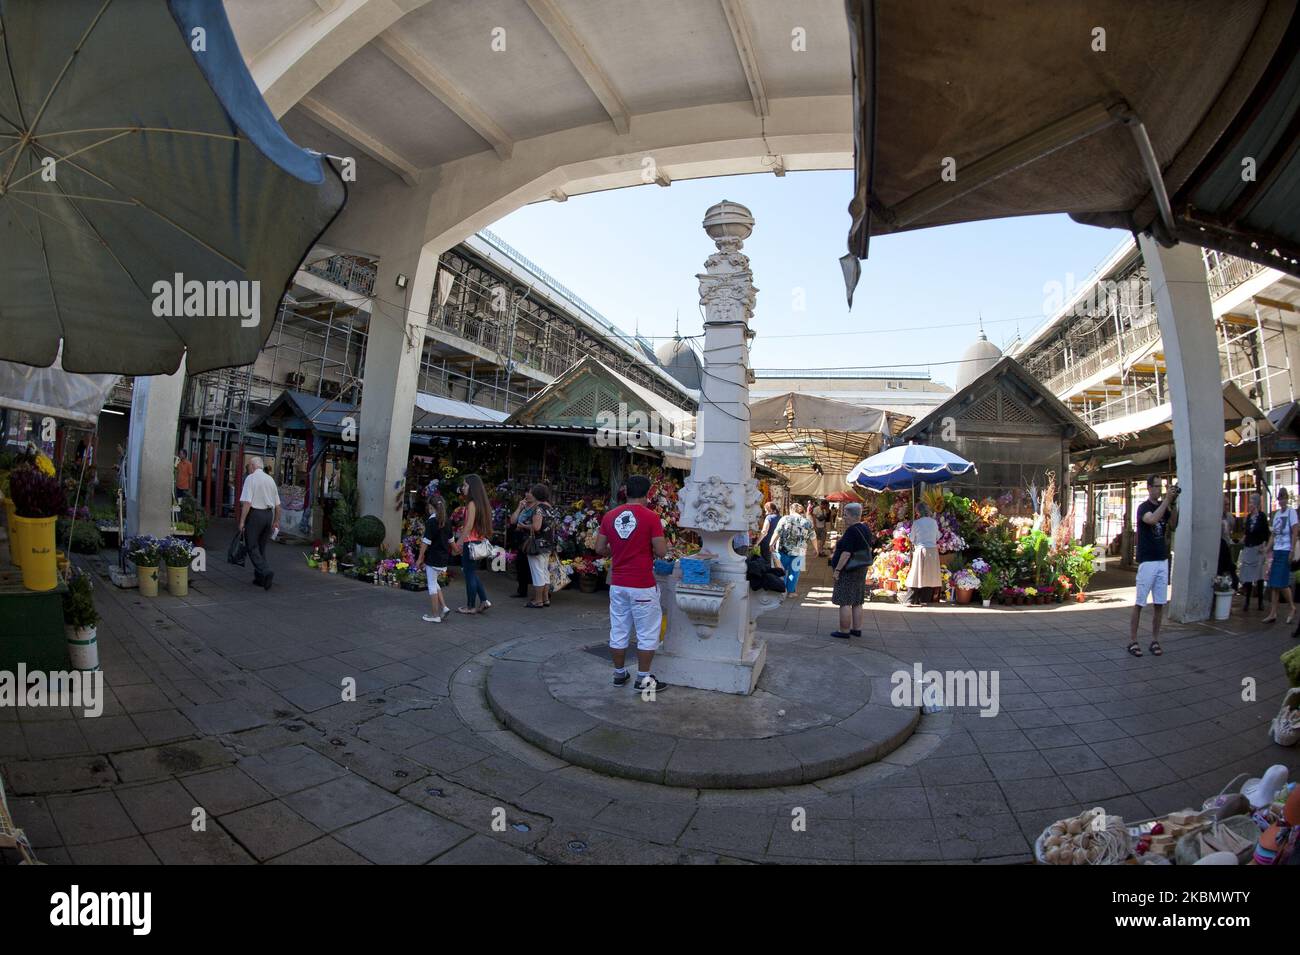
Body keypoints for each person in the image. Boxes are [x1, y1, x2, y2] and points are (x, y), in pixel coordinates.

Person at [594, 474, 668, 693]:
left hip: (618, 583)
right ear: (648, 494)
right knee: (647, 633)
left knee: (618, 630)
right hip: (642, 584)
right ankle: (643, 679)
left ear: (626, 492)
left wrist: (616, 550)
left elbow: (599, 549)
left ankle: (619, 674)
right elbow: (662, 552)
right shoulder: (651, 517)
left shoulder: (609, 516)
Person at [1129, 474, 1179, 657]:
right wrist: (1166, 501)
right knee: (1140, 602)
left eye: (1161, 487)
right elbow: (1151, 520)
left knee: (1160, 603)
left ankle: (1155, 639)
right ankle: (1133, 640)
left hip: (1162, 559)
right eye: (1156, 486)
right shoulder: (1143, 508)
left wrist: (1172, 504)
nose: (1159, 490)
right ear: (1149, 488)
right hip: (1147, 560)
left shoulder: (1164, 506)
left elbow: (1173, 524)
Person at [829, 502, 873, 639]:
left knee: (845, 600)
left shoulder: (851, 531)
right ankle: (857, 629)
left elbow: (846, 553)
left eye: (846, 515)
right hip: (861, 567)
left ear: (853, 516)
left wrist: (837, 570)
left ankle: (844, 630)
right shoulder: (865, 528)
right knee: (857, 600)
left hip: (849, 569)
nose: (844, 517)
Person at [238, 456, 280, 591]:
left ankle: (265, 571)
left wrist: (242, 521)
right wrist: (276, 521)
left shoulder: (250, 479)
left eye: (248, 466)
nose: (248, 468)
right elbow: (278, 505)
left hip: (256, 514)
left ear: (252, 466)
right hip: (268, 515)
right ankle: (260, 578)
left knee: (251, 545)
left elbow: (247, 503)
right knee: (261, 547)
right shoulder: (270, 480)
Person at [455, 473, 493, 615]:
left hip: (470, 543)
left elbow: (469, 526)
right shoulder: (482, 503)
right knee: (471, 573)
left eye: (465, 485)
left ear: (472, 487)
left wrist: (458, 542)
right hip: (478, 542)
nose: (463, 488)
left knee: (469, 573)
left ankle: (470, 606)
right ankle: (484, 600)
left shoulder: (471, 503)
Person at [1263, 486, 1298, 625]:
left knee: (1281, 583)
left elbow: (1295, 531)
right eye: (1280, 498)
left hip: (1285, 550)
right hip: (1277, 550)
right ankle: (1273, 612)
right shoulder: (1277, 515)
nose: (1281, 501)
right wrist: (1267, 548)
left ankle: (1292, 607)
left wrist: (1292, 550)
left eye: (1283, 498)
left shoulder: (1292, 513)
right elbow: (1274, 534)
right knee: (1273, 583)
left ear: (1287, 499)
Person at [414, 495, 452, 623]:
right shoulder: (446, 520)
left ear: (430, 507)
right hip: (443, 557)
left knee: (431, 585)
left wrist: (420, 558)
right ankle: (444, 607)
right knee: (434, 582)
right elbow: (451, 540)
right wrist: (457, 550)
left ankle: (435, 615)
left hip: (433, 558)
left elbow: (426, 542)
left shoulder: (431, 521)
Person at [518, 484, 554, 608]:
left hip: (538, 544)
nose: (530, 494)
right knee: (544, 571)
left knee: (537, 572)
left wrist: (524, 526)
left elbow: (536, 527)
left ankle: (538, 600)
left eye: (532, 492)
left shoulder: (538, 508)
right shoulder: (550, 507)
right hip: (548, 543)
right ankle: (545, 599)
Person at [773, 502, 814, 598]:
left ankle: (782, 590)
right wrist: (816, 549)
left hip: (784, 549)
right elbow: (813, 536)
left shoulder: (785, 518)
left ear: (791, 510)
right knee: (794, 572)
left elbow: (777, 532)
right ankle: (791, 592)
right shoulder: (807, 522)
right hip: (800, 550)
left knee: (782, 570)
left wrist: (771, 544)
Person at [904, 503, 941, 606]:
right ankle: (925, 599)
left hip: (921, 550)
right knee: (929, 576)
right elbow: (937, 536)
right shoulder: (933, 522)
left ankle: (910, 600)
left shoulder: (917, 523)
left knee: (915, 574)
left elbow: (912, 538)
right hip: (932, 551)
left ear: (918, 512)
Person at [1238, 492, 1268, 612]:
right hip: (1249, 548)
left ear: (1255, 504)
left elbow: (1266, 533)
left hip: (1258, 548)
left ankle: (1260, 602)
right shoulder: (1249, 517)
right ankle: (1247, 601)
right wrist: (1240, 541)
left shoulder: (1262, 517)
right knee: (1248, 577)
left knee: (1259, 576)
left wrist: (1264, 546)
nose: (1249, 504)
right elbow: (1246, 533)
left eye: (1251, 502)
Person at [1217, 497, 1240, 595]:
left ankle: (1232, 588)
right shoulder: (1217, 517)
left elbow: (1231, 530)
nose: (1227, 507)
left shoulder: (1230, 517)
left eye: (1228, 504)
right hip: (1219, 547)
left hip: (1227, 546)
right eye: (1225, 504)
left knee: (1230, 569)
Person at [757, 501, 780, 567]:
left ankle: (768, 576)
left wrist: (757, 543)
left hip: (767, 542)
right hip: (777, 542)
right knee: (777, 561)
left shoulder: (769, 518)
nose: (765, 512)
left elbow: (764, 531)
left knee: (766, 562)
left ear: (769, 509)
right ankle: (776, 575)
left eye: (766, 510)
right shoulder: (780, 517)